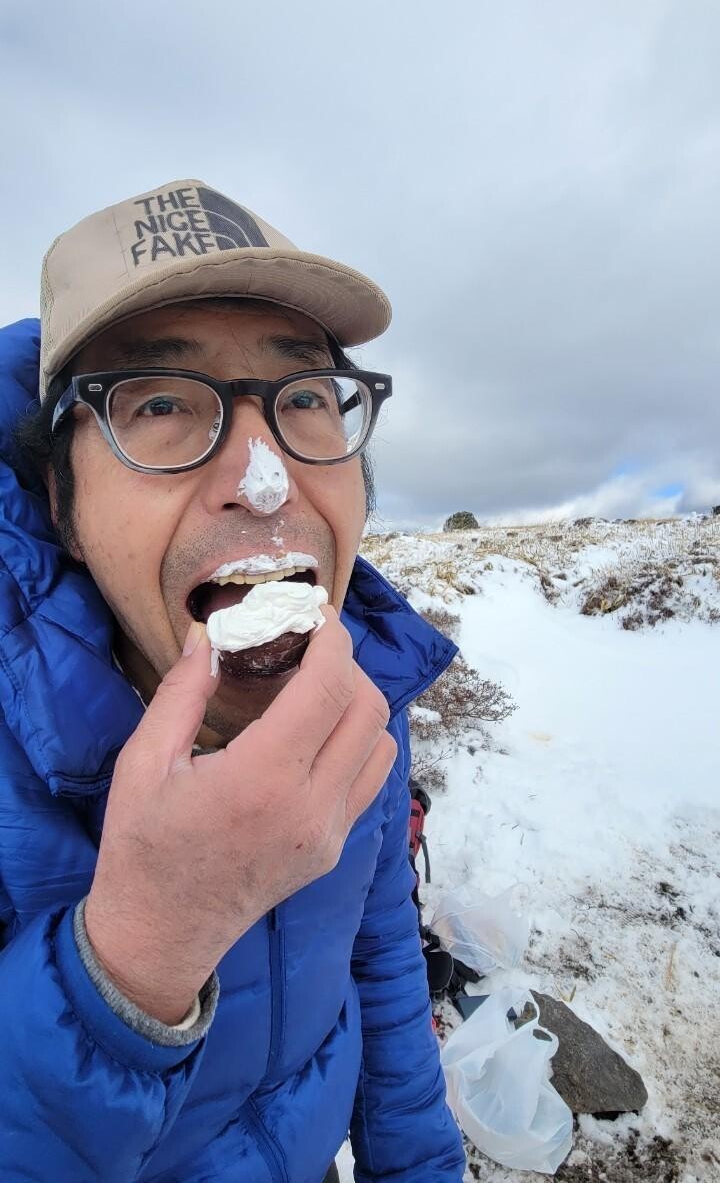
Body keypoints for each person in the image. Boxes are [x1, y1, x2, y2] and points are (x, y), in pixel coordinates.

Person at [0, 180, 466, 1182]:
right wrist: (137, 950)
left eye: (301, 398)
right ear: (61, 497)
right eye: (161, 402)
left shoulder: (362, 691)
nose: (265, 479)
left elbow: (383, 975)